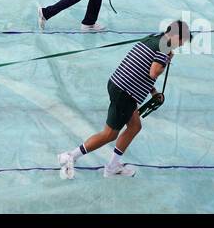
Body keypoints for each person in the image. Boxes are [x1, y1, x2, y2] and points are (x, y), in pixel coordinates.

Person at [57, 20, 193, 180]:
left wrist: (153, 91)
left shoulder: (152, 39)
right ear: (176, 36)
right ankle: (70, 156)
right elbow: (154, 72)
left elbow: (139, 68)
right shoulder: (165, 47)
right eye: (181, 42)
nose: (180, 46)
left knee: (135, 126)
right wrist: (167, 61)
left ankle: (113, 166)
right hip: (125, 93)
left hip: (118, 84)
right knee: (109, 134)